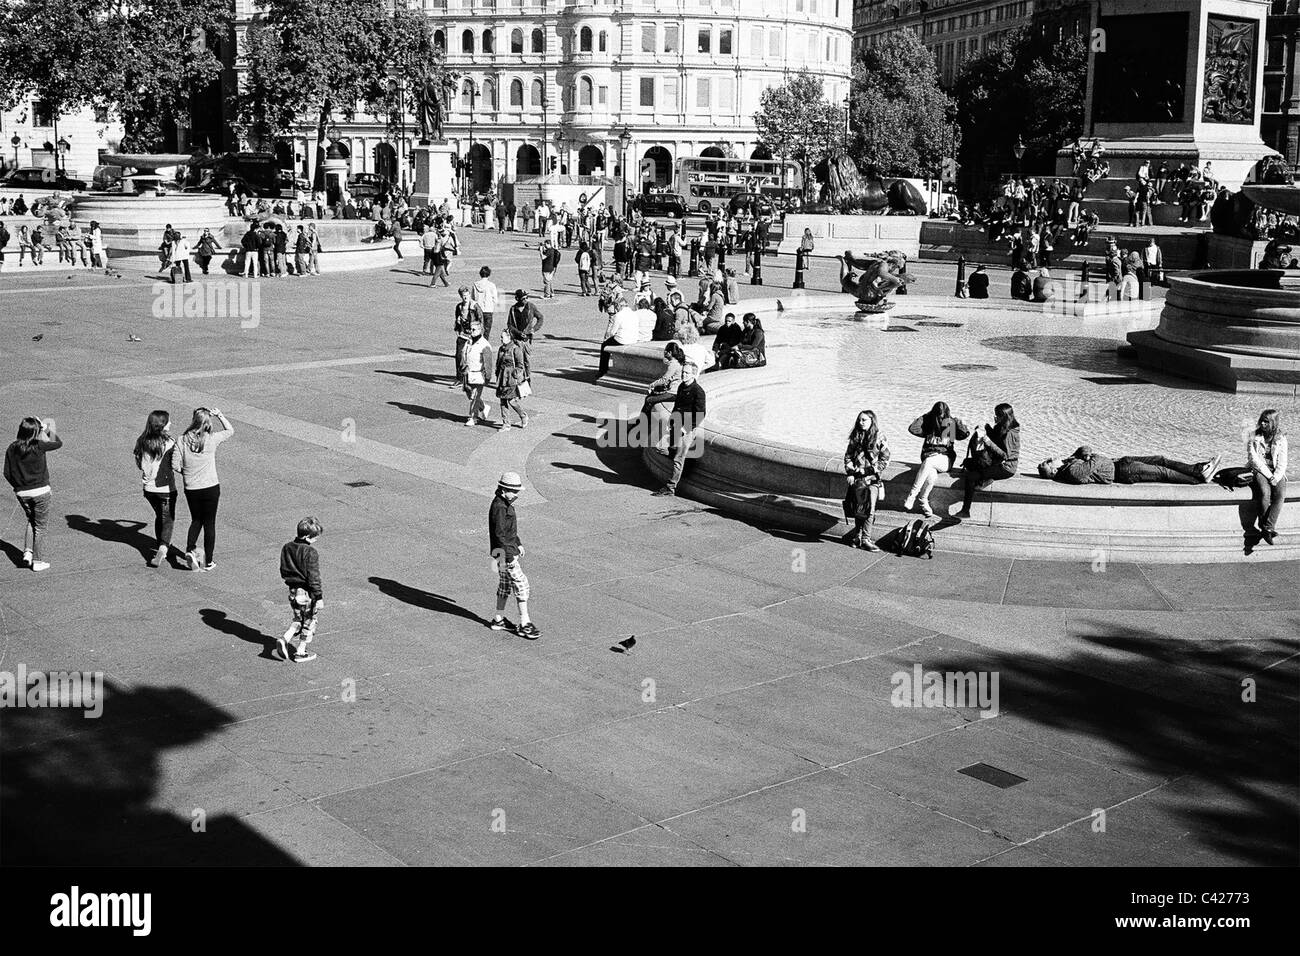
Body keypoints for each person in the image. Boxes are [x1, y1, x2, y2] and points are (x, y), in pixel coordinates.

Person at [172, 407, 235, 572]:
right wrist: (220, 415)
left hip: (191, 488)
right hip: (210, 487)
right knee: (209, 524)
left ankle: (190, 549)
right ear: (208, 423)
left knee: (196, 520)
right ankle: (209, 561)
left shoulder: (181, 440)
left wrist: (187, 472)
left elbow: (175, 464)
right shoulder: (212, 439)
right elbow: (230, 431)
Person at [4, 416, 62, 572]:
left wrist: (18, 486)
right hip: (41, 491)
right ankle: (37, 561)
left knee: (31, 520)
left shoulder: (12, 448)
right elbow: (57, 443)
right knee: (40, 526)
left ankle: (28, 552)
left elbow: (7, 473)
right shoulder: (38, 446)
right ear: (36, 431)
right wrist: (46, 428)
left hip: (22, 492)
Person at [488, 472, 540, 638]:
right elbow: (500, 535)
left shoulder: (504, 503)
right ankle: (525, 623)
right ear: (504, 490)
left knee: (505, 585)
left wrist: (518, 543)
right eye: (514, 491)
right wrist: (510, 556)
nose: (517, 495)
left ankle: (499, 619)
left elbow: (509, 531)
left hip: (501, 553)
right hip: (505, 554)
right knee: (521, 584)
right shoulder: (500, 507)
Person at [903, 401, 970, 518]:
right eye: (938, 415)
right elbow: (913, 429)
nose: (940, 418)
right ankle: (923, 500)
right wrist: (925, 416)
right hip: (929, 457)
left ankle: (912, 495)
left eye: (943, 416)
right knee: (931, 477)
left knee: (929, 461)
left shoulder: (949, 425)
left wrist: (957, 421)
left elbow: (964, 434)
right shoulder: (929, 425)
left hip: (945, 459)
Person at [957, 403, 1020, 519]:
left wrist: (987, 441)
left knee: (971, 477)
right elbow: (997, 439)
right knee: (968, 462)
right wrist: (987, 428)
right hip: (996, 462)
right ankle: (986, 478)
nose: (995, 417)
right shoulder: (1002, 427)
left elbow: (1005, 455)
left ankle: (965, 510)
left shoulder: (1010, 433)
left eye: (997, 415)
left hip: (1006, 467)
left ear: (1004, 417)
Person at [653, 361, 706, 498]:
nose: (683, 375)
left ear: (694, 374)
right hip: (676, 424)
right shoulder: (682, 386)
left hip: (686, 429)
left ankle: (670, 487)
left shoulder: (698, 392)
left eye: (687, 373)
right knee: (662, 448)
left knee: (678, 458)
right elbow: (677, 406)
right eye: (683, 372)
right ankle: (688, 462)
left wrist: (685, 429)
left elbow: (700, 414)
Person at [133, 410, 178, 568]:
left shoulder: (142, 440)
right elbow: (175, 463)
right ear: (162, 425)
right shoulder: (169, 442)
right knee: (168, 519)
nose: (171, 423)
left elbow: (140, 463)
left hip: (149, 489)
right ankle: (163, 548)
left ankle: (161, 544)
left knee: (161, 516)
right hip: (166, 488)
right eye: (168, 421)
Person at [841, 410, 891, 551]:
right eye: (859, 420)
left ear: (872, 421)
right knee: (859, 508)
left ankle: (866, 539)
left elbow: (885, 459)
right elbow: (848, 457)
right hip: (857, 479)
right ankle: (857, 537)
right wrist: (850, 473)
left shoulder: (880, 437)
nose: (861, 422)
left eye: (864, 420)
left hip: (872, 479)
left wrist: (870, 470)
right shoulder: (855, 436)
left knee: (870, 509)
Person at [276, 517, 324, 663]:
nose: (316, 540)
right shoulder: (310, 552)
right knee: (310, 621)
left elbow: (283, 570)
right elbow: (313, 577)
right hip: (306, 592)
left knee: (298, 618)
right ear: (308, 536)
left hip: (293, 590)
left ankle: (285, 638)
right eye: (315, 537)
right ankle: (301, 652)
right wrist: (318, 597)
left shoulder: (287, 547)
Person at [1247, 409, 1287, 545]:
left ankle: (1267, 528)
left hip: (1276, 471)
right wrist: (1270, 477)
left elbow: (1283, 462)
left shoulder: (1281, 438)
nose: (1263, 424)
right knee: (1265, 493)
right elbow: (1254, 459)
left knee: (1280, 494)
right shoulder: (1253, 436)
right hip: (1260, 470)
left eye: (1266, 422)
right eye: (1262, 421)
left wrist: (1277, 476)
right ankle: (1266, 528)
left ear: (1273, 423)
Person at [494, 327, 529, 429]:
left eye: (502, 337)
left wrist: (514, 374)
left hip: (511, 379)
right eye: (501, 337)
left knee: (511, 400)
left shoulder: (515, 349)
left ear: (509, 337)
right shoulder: (501, 349)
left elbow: (520, 365)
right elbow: (498, 362)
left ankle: (523, 415)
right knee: (502, 400)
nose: (501, 339)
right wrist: (497, 373)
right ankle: (506, 423)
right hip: (502, 377)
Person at [597, 297, 641, 377]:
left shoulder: (618, 315)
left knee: (604, 345)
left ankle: (602, 370)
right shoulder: (634, 313)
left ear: (619, 306)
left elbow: (613, 332)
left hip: (622, 339)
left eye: (616, 306)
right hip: (634, 338)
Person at [462, 320, 494, 426]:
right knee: (469, 393)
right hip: (468, 373)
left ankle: (473, 417)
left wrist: (487, 377)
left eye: (474, 329)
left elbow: (488, 364)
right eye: (470, 329)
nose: (471, 331)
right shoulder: (468, 341)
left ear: (480, 330)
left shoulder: (484, 345)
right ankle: (484, 407)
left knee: (474, 396)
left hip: (478, 374)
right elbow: (464, 354)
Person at [506, 289, 542, 380]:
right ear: (517, 299)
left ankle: (528, 380)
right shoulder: (513, 309)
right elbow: (510, 325)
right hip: (516, 340)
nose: (525, 300)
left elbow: (540, 317)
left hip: (526, 341)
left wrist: (534, 329)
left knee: (527, 362)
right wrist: (518, 333)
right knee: (518, 361)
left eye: (526, 297)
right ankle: (519, 380)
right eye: (523, 299)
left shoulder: (531, 307)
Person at [453, 286, 485, 387]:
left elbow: (481, 320)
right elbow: (457, 319)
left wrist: (478, 334)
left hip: (473, 335)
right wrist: (458, 324)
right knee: (459, 356)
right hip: (463, 334)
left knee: (472, 357)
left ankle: (476, 376)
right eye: (463, 296)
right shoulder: (459, 307)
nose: (465, 297)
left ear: (469, 295)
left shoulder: (475, 306)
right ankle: (459, 378)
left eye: (467, 295)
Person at [472, 265, 499, 340]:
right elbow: (495, 299)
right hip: (488, 310)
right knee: (486, 331)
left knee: (477, 331)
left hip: (478, 309)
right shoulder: (491, 285)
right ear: (489, 274)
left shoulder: (475, 284)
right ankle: (484, 344)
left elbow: (473, 298)